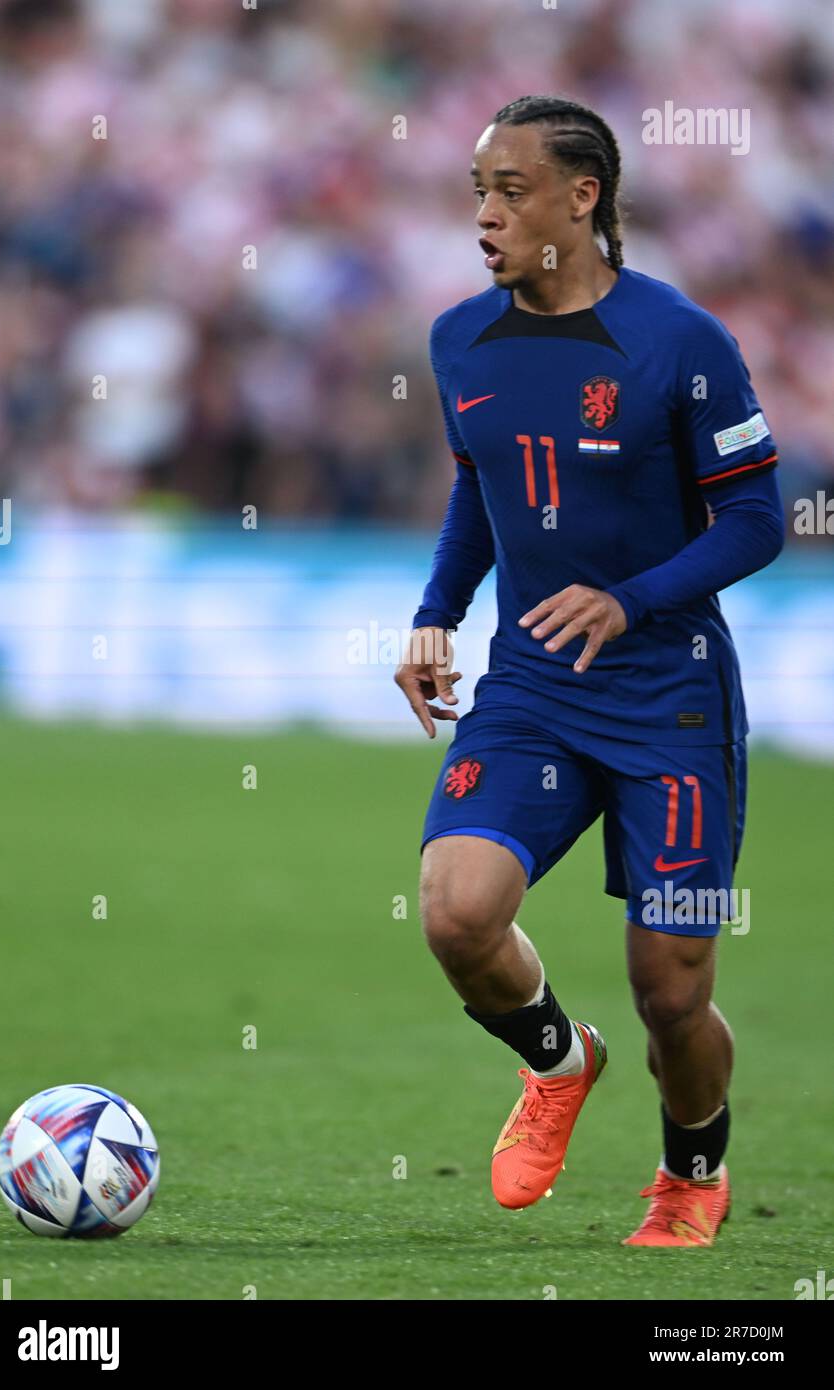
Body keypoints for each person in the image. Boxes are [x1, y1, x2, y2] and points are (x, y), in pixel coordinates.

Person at [394, 95, 784, 1247]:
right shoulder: (458, 338)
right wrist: (434, 617)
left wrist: (629, 599)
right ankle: (559, 1064)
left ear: (582, 198)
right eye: (476, 190)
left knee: (672, 991)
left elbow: (756, 520)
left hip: (673, 703)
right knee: (456, 913)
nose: (483, 214)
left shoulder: (680, 340)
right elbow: (481, 486)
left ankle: (688, 1171)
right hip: (531, 689)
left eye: (508, 190)